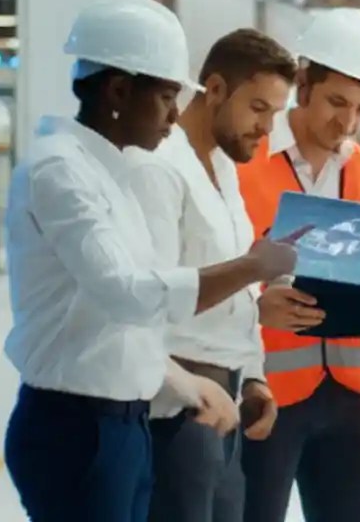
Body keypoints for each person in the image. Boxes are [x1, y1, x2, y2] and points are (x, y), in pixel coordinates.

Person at [2, 0, 303, 522]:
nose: (174, 113)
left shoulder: (110, 172)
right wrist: (254, 268)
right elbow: (131, 295)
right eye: (167, 96)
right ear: (119, 90)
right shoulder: (62, 173)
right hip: (76, 425)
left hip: (129, 417)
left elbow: (132, 313)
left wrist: (210, 380)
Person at [237, 8, 360, 522]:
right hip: (265, 390)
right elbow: (209, 272)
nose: (350, 122)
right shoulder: (245, 160)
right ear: (302, 81)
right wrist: (255, 303)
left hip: (346, 395)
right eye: (338, 101)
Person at [121, 28, 302, 522]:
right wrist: (253, 266)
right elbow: (152, 297)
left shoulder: (223, 166)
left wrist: (254, 379)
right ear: (216, 89)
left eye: (275, 114)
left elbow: (238, 291)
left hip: (226, 399)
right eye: (258, 108)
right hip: (177, 408)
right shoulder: (158, 168)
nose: (265, 127)